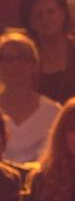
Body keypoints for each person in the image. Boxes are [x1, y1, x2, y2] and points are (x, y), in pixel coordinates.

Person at [0, 32, 62, 166]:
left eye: (22, 58)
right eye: (8, 59)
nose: (15, 64)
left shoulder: (53, 112)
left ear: (34, 65)